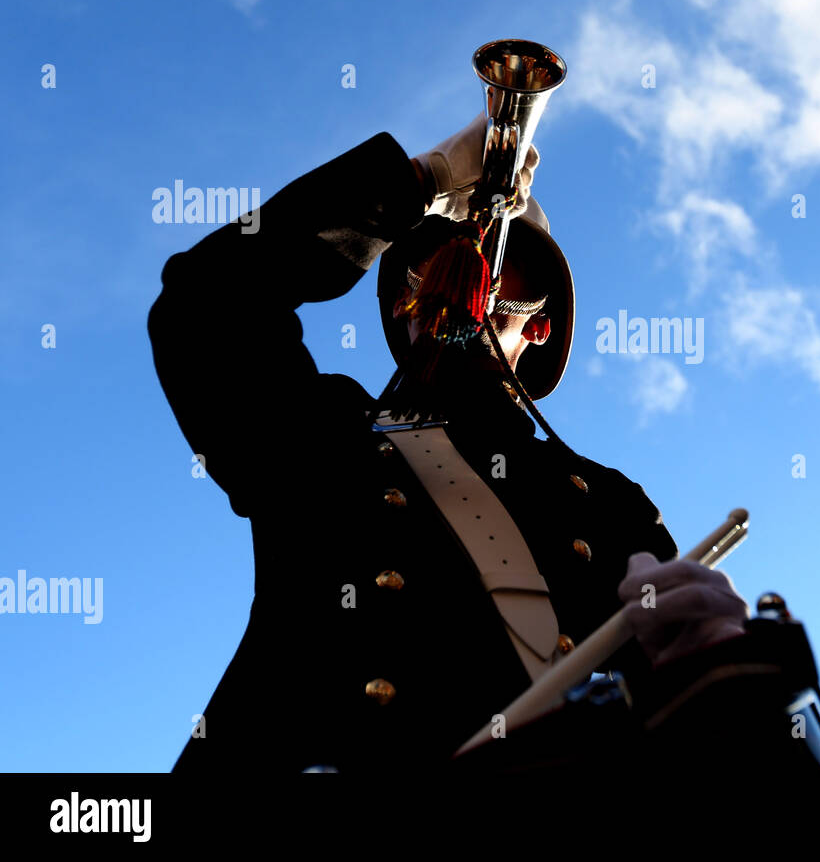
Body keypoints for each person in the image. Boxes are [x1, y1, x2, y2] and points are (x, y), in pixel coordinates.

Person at [148, 116, 755, 774]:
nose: (476, 284)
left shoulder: (610, 502)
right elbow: (207, 302)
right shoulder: (323, 436)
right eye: (432, 270)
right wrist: (419, 182)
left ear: (542, 327)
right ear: (404, 311)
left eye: (509, 273)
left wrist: (715, 665)